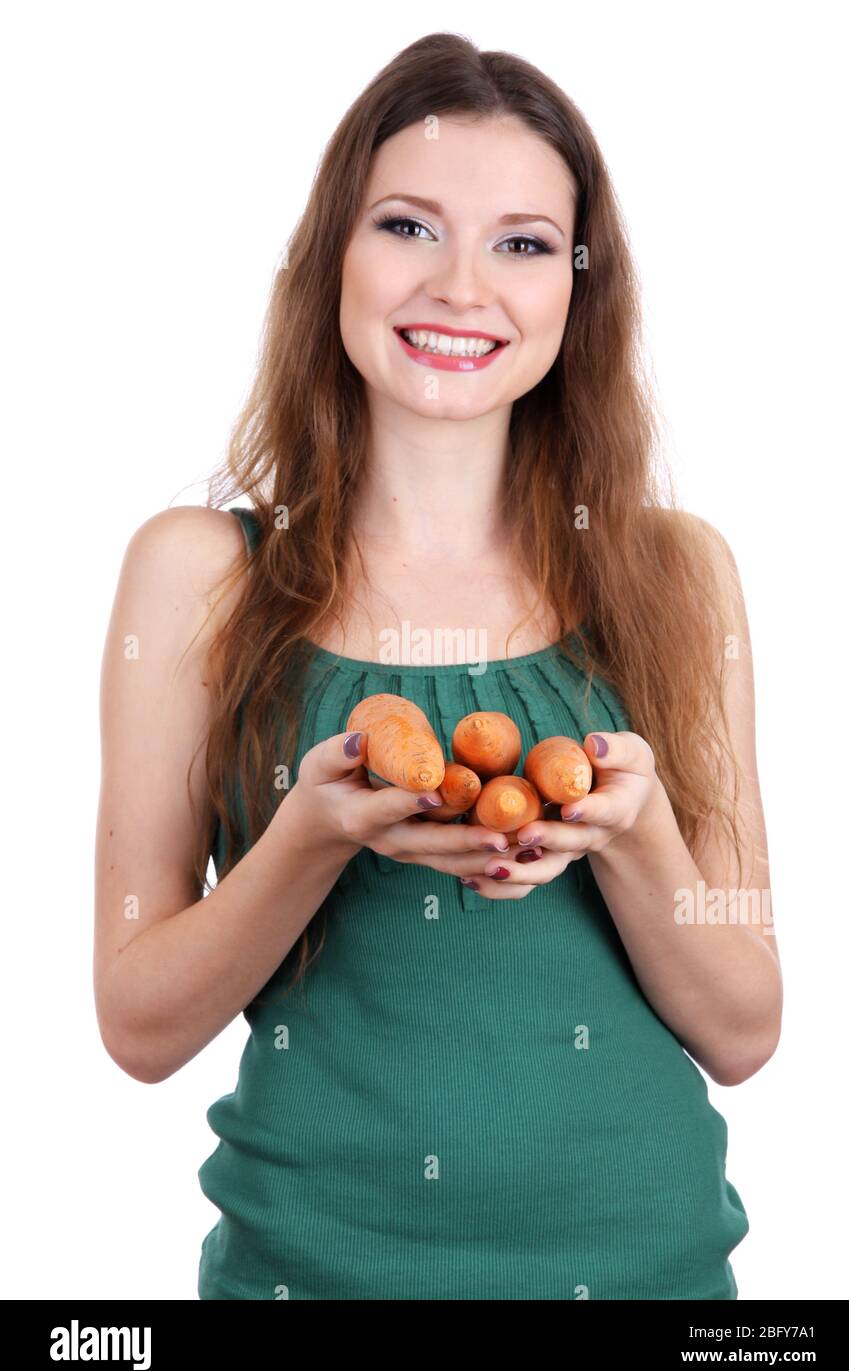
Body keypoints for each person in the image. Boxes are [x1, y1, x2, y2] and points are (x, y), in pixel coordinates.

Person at [93, 31, 781, 1300]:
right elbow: (138, 1026)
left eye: (522, 244)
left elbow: (743, 1031)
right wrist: (309, 837)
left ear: (576, 288)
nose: (462, 287)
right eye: (408, 226)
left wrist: (633, 839)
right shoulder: (200, 572)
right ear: (331, 255)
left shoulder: (674, 573)